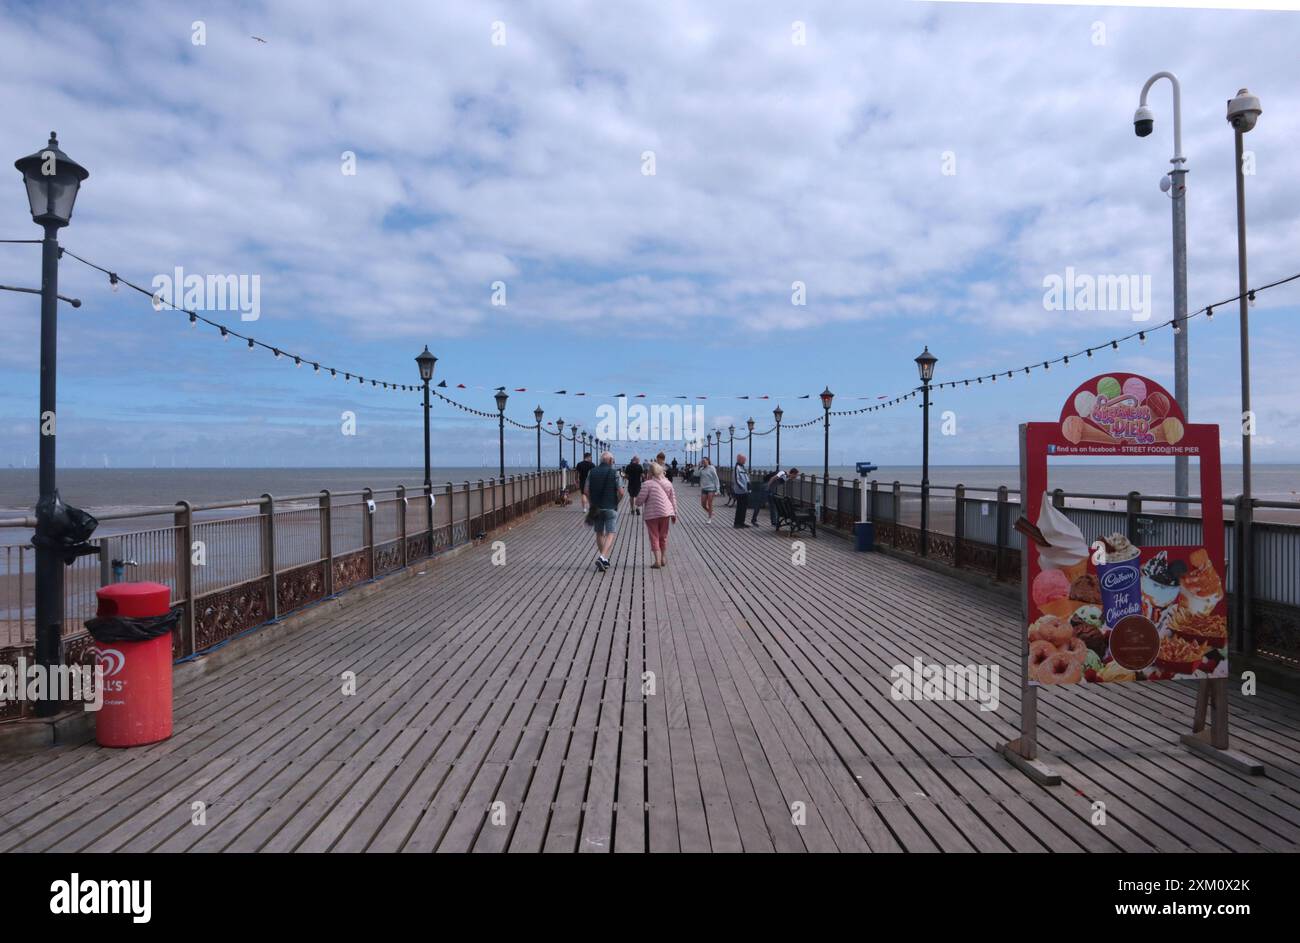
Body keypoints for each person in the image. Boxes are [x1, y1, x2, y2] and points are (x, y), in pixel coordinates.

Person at [584, 451, 623, 572]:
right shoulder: (615, 473)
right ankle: (602, 558)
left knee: (599, 533)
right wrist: (616, 502)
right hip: (610, 507)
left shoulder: (592, 472)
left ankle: (603, 558)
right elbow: (621, 492)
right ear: (611, 461)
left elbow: (586, 490)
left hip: (596, 508)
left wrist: (591, 503)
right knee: (611, 533)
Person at [636, 462, 678, 568]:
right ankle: (663, 558)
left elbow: (640, 500)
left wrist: (637, 503)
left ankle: (657, 561)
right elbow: (673, 499)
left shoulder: (647, 484)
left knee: (654, 536)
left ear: (650, 472)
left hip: (652, 514)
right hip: (666, 513)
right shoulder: (668, 483)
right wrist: (674, 514)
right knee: (663, 536)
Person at [697, 457, 719, 522]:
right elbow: (696, 474)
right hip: (704, 488)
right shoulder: (701, 469)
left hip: (711, 488)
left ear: (708, 461)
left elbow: (716, 478)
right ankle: (711, 512)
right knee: (703, 504)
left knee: (710, 503)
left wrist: (717, 489)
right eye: (702, 461)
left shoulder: (712, 468)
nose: (703, 462)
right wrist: (699, 467)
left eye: (704, 461)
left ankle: (709, 518)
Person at [731, 453, 750, 528]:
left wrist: (749, 487)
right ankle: (737, 523)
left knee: (744, 507)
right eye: (744, 459)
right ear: (740, 459)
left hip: (745, 491)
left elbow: (746, 478)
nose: (745, 460)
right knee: (740, 507)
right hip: (740, 491)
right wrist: (743, 488)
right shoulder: (737, 468)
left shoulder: (742, 467)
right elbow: (736, 480)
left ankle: (742, 522)